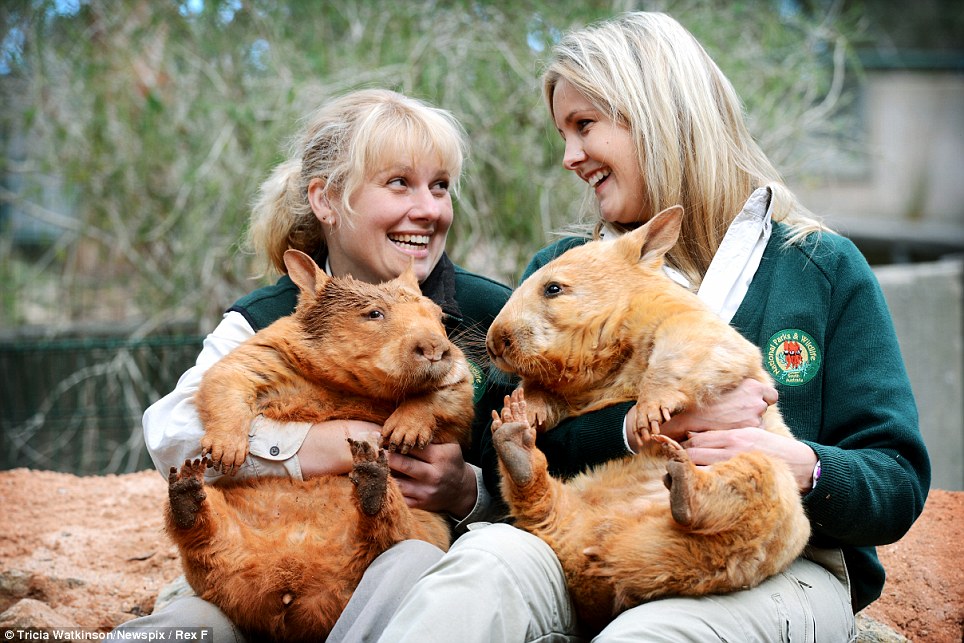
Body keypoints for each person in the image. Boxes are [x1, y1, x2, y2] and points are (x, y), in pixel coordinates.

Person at [378, 12, 930, 642]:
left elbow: (897, 477)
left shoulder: (818, 269)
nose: (569, 156)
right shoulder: (557, 275)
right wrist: (650, 425)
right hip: (590, 533)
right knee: (476, 577)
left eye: (585, 126)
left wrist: (800, 464)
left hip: (775, 561)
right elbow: (498, 448)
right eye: (563, 132)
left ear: (661, 116)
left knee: (654, 634)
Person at [111, 89, 512, 641]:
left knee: (412, 572)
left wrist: (466, 491)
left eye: (440, 186)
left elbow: (544, 475)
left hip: (392, 563)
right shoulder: (270, 316)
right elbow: (172, 433)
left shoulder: (489, 315)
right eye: (400, 182)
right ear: (325, 200)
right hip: (260, 551)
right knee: (188, 625)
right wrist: (311, 447)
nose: (429, 208)